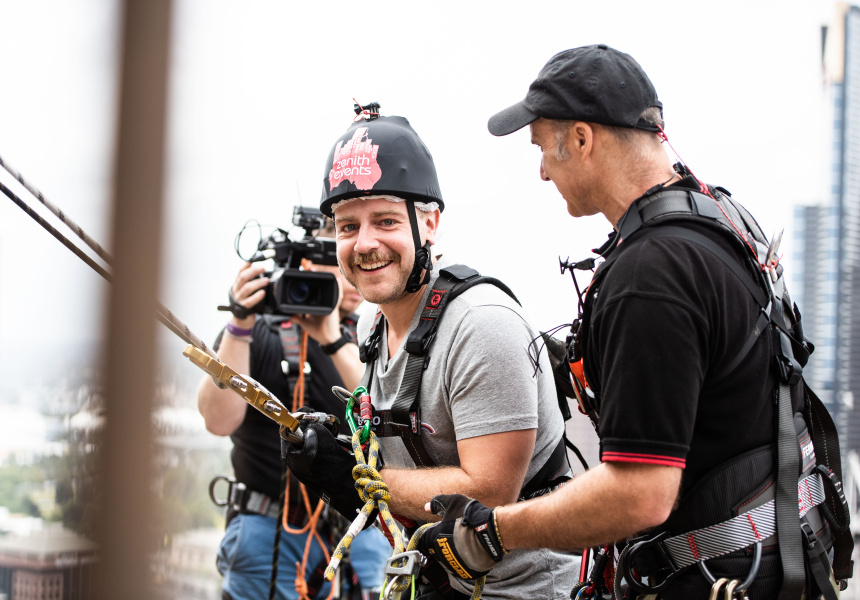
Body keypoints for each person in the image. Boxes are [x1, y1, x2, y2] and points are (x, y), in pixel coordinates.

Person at [415, 44, 852, 599]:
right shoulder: (720, 218)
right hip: (785, 561)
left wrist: (490, 533)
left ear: (581, 139)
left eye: (543, 148)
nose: (542, 172)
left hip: (719, 577)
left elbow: (639, 494)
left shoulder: (650, 274)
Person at [282, 110, 579, 599]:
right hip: (444, 579)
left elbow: (489, 494)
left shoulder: (481, 325)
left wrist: (359, 479)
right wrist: (338, 453)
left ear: (430, 223)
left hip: (527, 587)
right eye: (348, 226)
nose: (365, 243)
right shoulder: (372, 325)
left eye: (386, 221)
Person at [197, 218, 390, 600]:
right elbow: (219, 420)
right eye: (340, 263)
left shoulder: (373, 335)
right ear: (308, 266)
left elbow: (384, 415)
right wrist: (239, 323)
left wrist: (333, 339)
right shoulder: (257, 333)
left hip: (361, 531)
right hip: (268, 532)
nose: (353, 273)